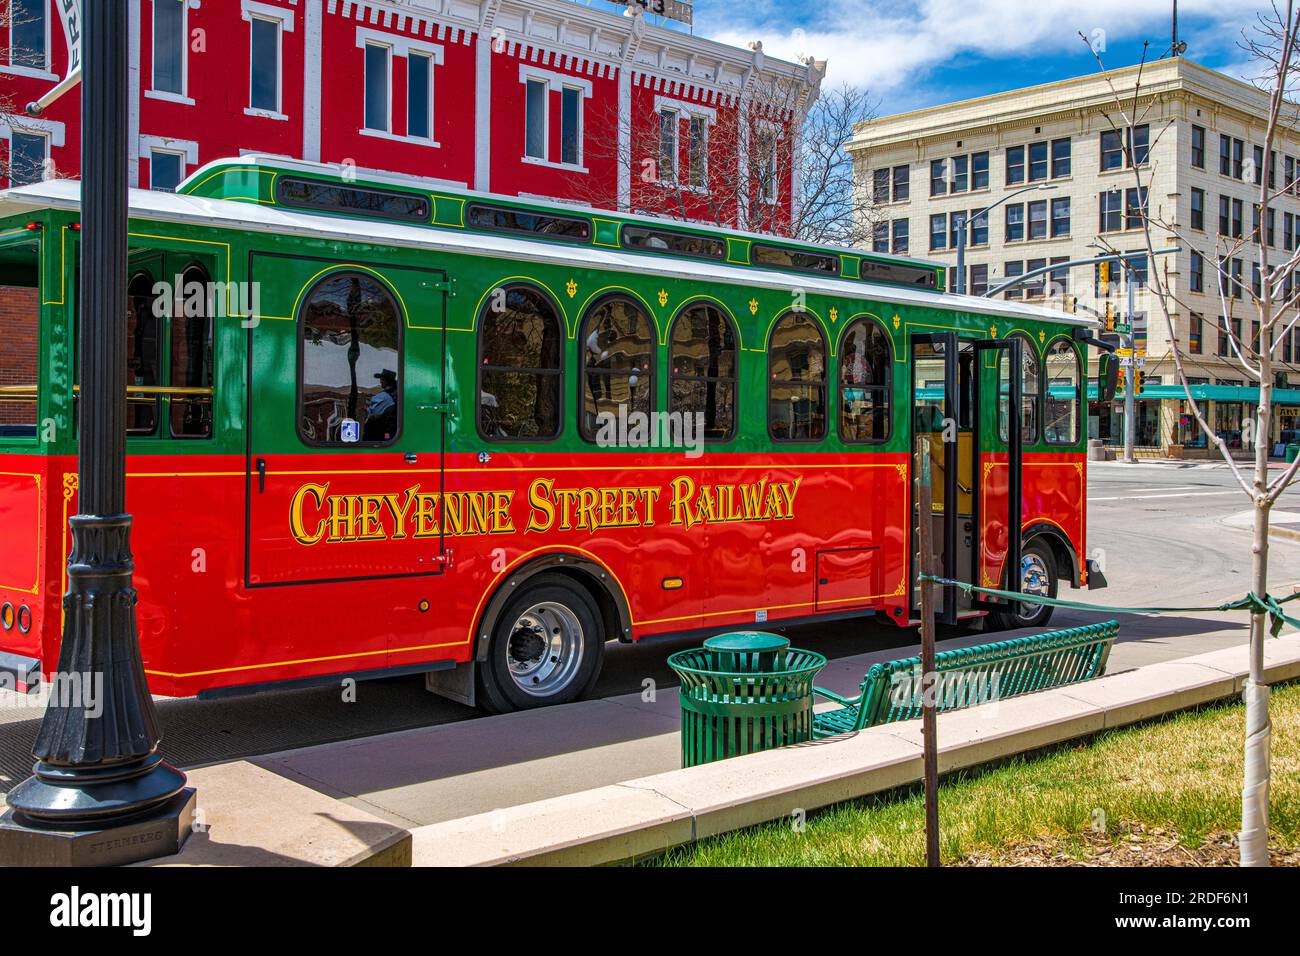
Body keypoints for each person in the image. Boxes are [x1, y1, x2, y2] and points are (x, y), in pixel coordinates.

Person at [363, 368, 398, 441]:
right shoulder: (395, 394)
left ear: (387, 381)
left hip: (378, 432)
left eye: (382, 379)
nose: (380, 381)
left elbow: (374, 415)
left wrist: (366, 409)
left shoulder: (385, 396)